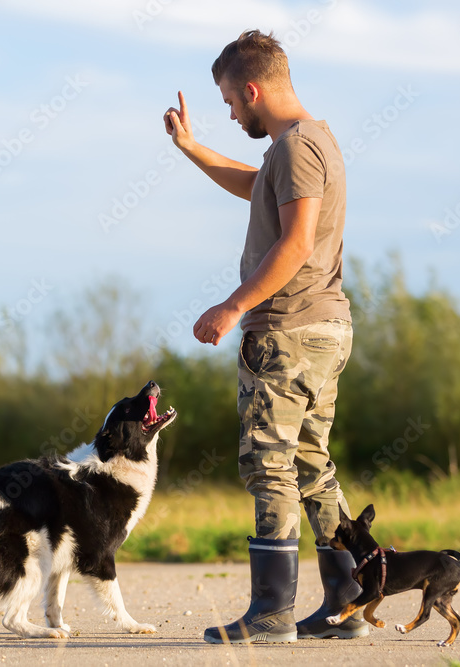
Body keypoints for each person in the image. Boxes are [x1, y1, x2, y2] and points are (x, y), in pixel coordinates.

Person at [163, 29, 367, 644]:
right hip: (324, 328)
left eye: (229, 101)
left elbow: (297, 241)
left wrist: (232, 306)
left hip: (288, 331)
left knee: (270, 465)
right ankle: (346, 604)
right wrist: (191, 147)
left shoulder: (298, 146)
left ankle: (271, 614)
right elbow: (255, 187)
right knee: (309, 463)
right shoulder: (306, 144)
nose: (229, 112)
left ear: (252, 89)